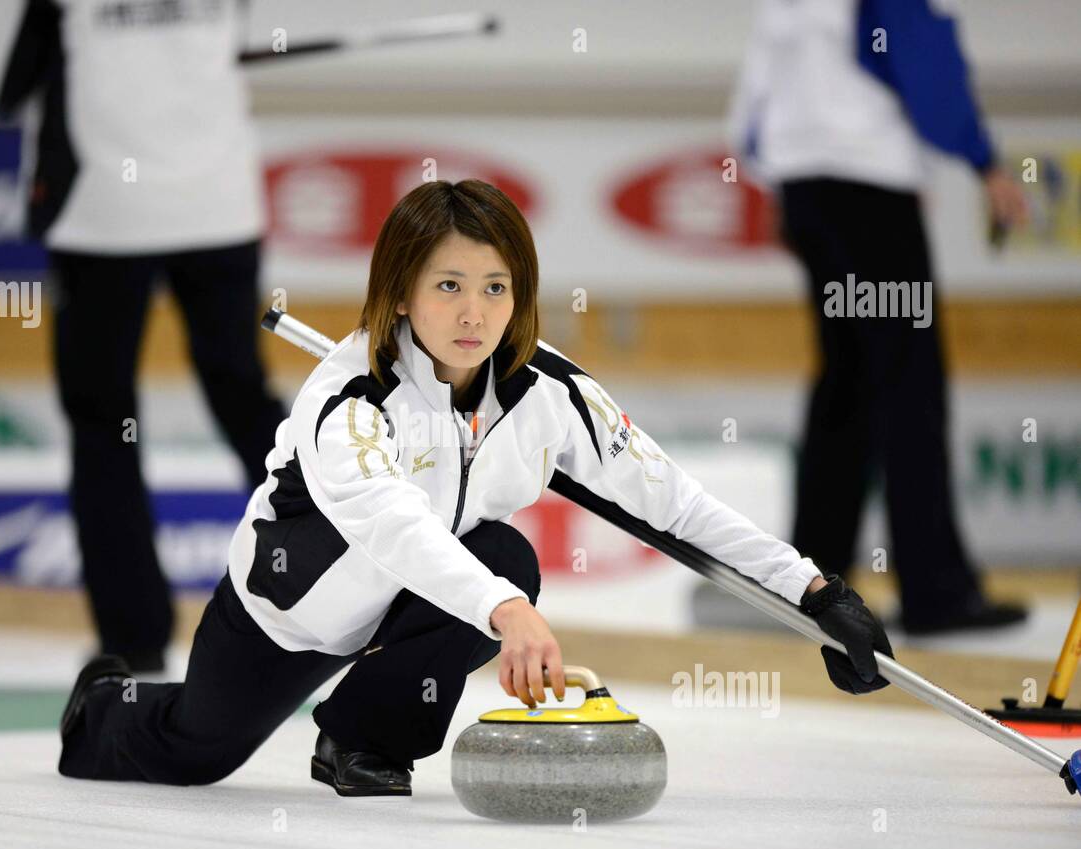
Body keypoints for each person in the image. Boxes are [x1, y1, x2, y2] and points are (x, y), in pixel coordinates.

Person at [58, 179, 894, 796]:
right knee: (197, 751)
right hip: (288, 612)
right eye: (448, 286)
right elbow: (395, 529)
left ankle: (360, 740)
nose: (474, 313)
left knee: (506, 555)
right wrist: (505, 612)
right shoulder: (346, 401)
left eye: (496, 287)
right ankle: (101, 705)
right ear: (400, 290)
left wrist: (814, 591)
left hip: (419, 595)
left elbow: (671, 500)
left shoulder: (547, 393)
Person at [0, 0, 285, 673]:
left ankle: (133, 640)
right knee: (243, 396)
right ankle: (339, 589)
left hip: (102, 213)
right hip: (216, 201)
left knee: (105, 422)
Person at [729, 0, 1029, 634]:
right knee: (907, 381)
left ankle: (810, 582)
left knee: (848, 379)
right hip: (870, 187)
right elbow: (915, 54)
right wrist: (984, 161)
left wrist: (780, 181)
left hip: (806, 188)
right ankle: (935, 590)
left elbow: (754, 96)